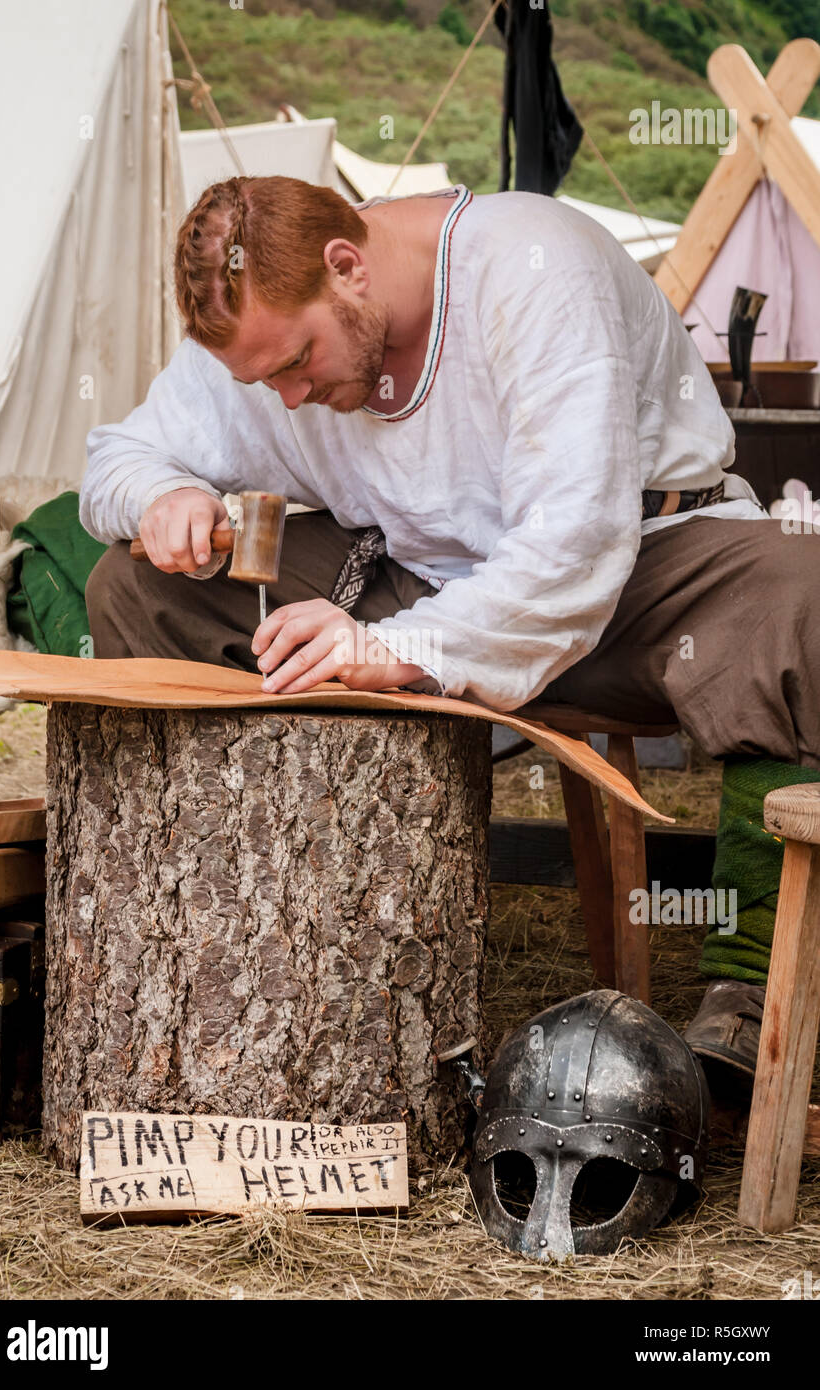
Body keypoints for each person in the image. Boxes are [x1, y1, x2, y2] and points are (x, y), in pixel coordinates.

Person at [81, 175, 820, 1105]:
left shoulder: (530, 267)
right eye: (262, 380)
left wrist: (400, 647)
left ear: (345, 266)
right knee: (137, 585)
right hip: (411, 581)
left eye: (297, 362)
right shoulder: (266, 326)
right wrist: (164, 497)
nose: (290, 396)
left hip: (642, 573)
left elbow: (573, 540)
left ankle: (751, 984)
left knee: (807, 593)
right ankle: (237, 935)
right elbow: (115, 453)